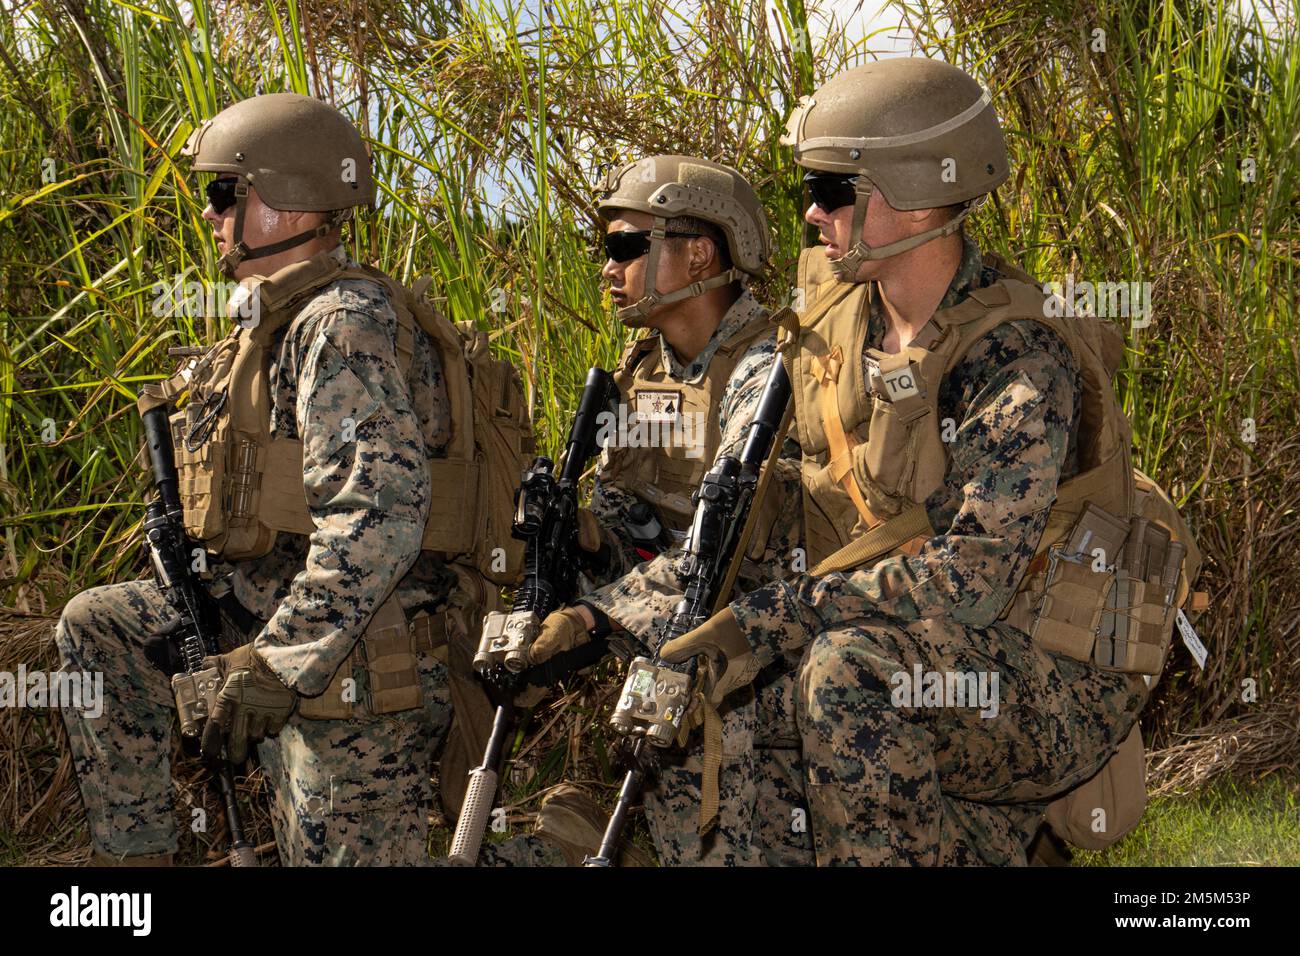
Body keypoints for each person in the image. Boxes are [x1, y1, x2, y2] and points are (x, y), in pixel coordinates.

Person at [658, 57, 1152, 865]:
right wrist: (636, 618)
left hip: (1045, 675)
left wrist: (770, 618)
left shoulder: (1017, 357)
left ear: (905, 192)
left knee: (846, 670)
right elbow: (782, 508)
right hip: (915, 641)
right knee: (704, 685)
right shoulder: (835, 330)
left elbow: (971, 580)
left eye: (827, 190)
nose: (811, 216)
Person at [55, 92, 472, 865]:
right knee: (99, 624)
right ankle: (137, 860)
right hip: (257, 601)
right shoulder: (269, 321)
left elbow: (377, 522)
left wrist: (275, 665)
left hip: (357, 640)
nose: (208, 215)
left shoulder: (343, 325)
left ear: (284, 201)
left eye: (222, 194)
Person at [488, 156, 814, 866]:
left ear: (699, 252)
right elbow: (632, 538)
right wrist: (571, 539)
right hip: (663, 621)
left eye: (627, 246)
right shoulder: (645, 370)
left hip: (763, 629)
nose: (608, 267)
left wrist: (591, 619)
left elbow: (727, 550)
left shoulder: (768, 370)